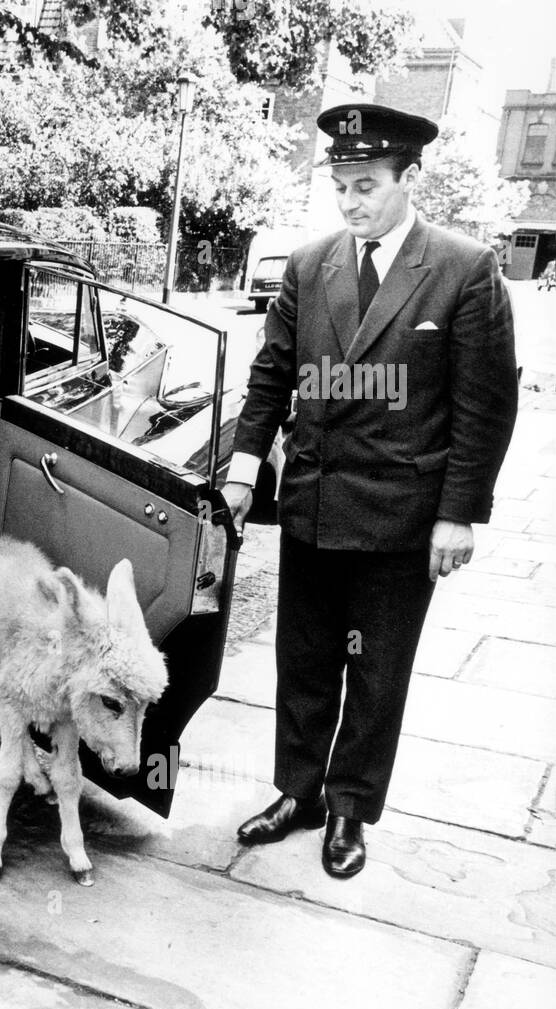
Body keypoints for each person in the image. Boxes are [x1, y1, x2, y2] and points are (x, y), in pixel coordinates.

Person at [221, 103, 518, 878]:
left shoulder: (461, 268)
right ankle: (298, 791)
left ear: (408, 178)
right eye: (342, 188)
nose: (351, 204)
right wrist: (246, 469)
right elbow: (272, 377)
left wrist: (460, 514)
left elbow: (485, 407)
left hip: (401, 517)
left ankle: (350, 807)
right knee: (304, 658)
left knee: (377, 670)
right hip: (315, 503)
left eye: (366, 187)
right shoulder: (310, 263)